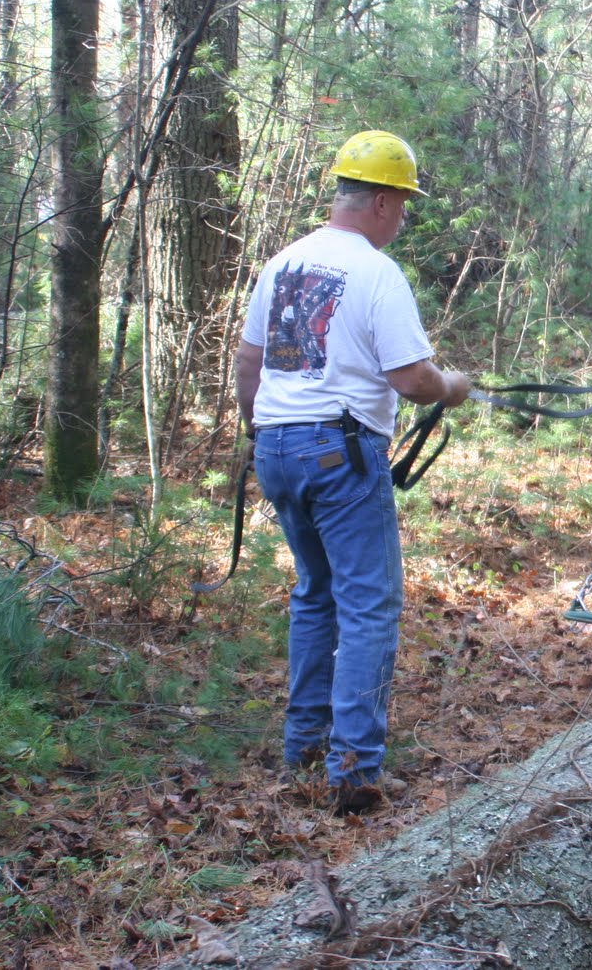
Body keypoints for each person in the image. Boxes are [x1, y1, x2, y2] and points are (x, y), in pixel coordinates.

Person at [236, 130, 471, 815]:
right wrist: (451, 385)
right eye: (402, 204)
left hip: (277, 443)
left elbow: (250, 364)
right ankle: (354, 765)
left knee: (316, 592)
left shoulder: (281, 263)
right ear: (379, 201)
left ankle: (302, 741)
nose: (401, 218)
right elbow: (410, 376)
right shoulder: (375, 272)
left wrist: (262, 429)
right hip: (339, 451)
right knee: (369, 603)